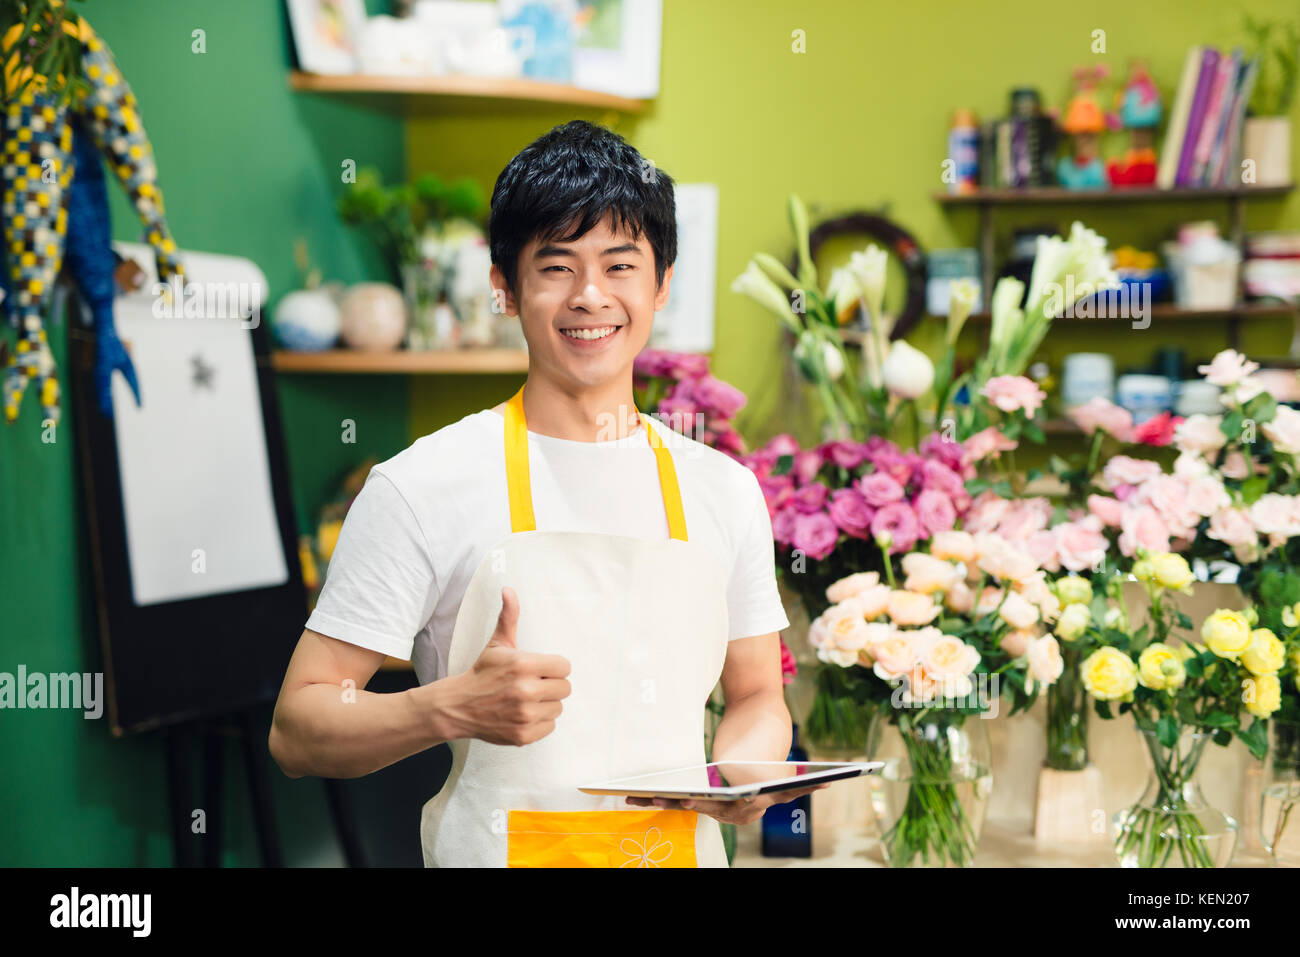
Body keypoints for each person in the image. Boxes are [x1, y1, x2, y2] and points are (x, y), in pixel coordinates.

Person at [269, 119, 824, 867]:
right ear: (505, 287)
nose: (590, 296)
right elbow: (297, 730)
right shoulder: (420, 485)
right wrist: (448, 707)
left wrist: (741, 774)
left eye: (620, 265)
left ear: (661, 284)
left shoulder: (723, 490)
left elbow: (758, 694)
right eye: (555, 266)